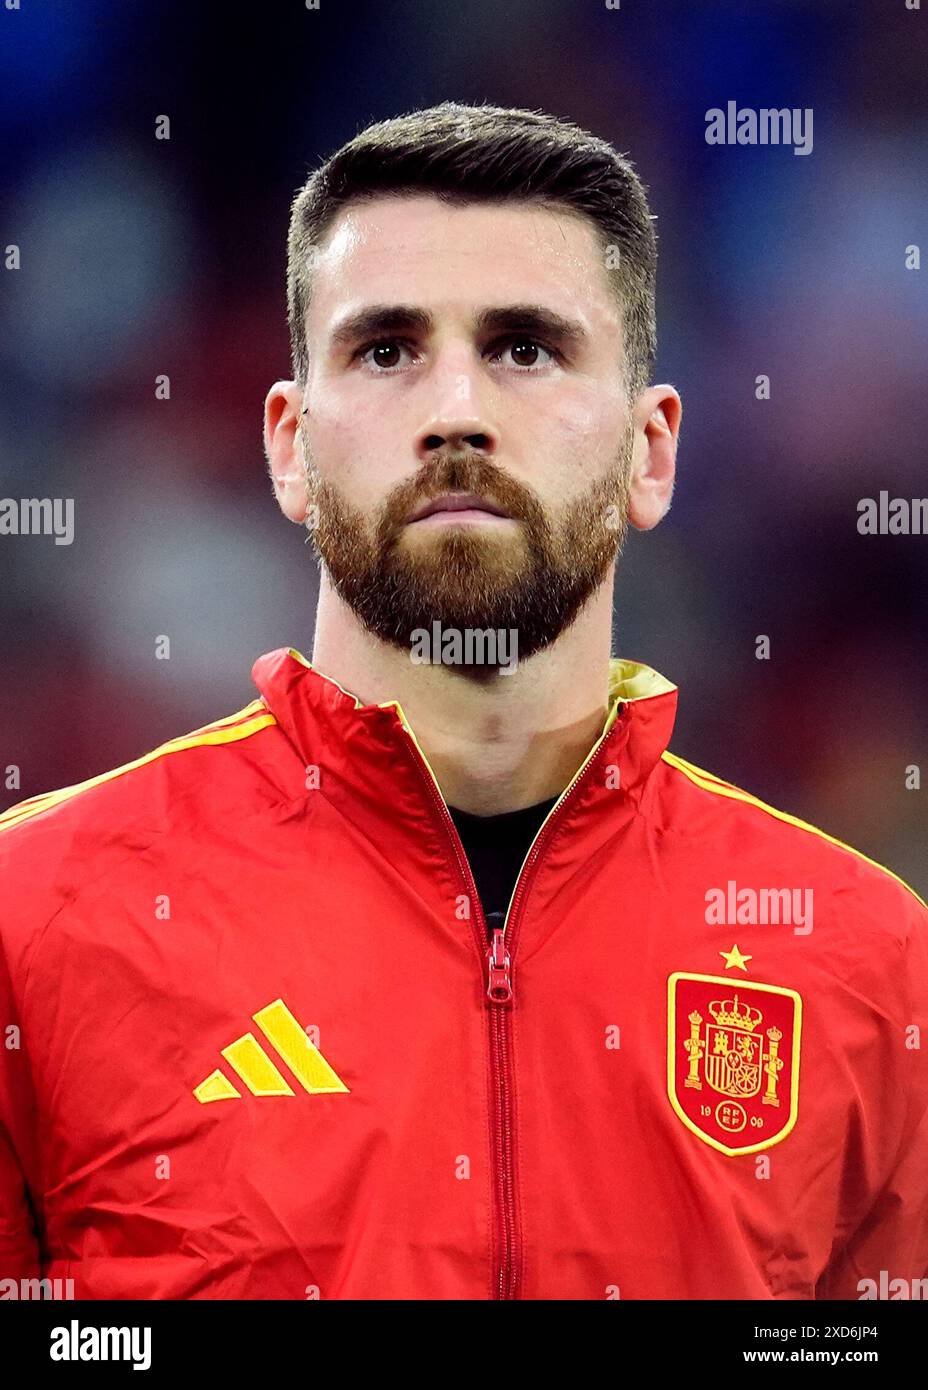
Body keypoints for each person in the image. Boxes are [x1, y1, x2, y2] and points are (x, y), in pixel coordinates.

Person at [1, 102, 925, 1301]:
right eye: (385, 349)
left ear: (651, 451)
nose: (456, 412)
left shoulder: (868, 962)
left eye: (525, 348)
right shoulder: (35, 923)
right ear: (289, 446)